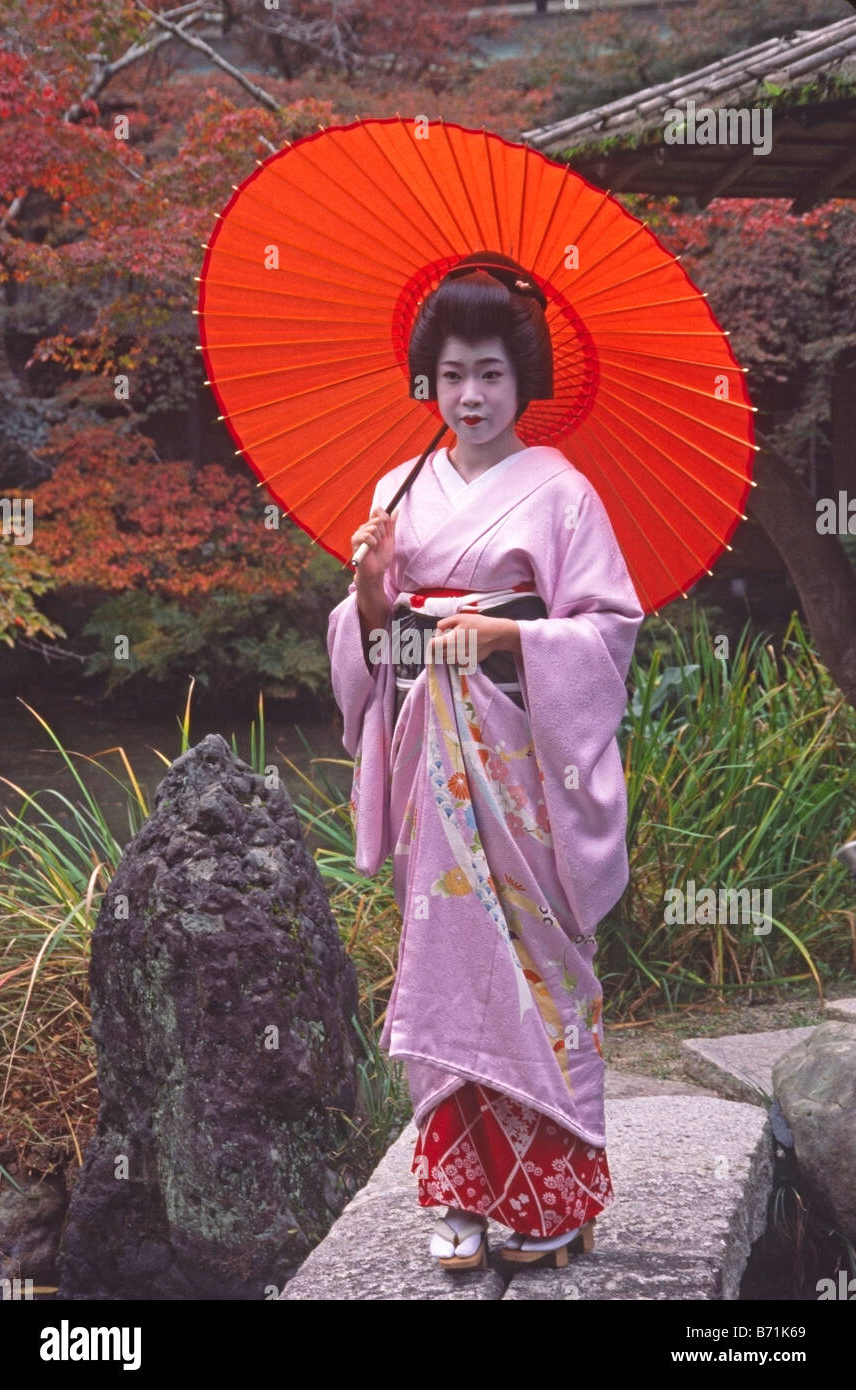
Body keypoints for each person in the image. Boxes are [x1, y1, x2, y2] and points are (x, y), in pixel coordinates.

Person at [326, 252, 644, 1272]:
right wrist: (372, 595)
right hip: (431, 754)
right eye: (451, 373)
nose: (468, 395)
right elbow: (370, 640)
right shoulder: (398, 488)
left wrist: (507, 639)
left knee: (538, 962)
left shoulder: (560, 493)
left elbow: (606, 629)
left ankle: (552, 1191)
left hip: (520, 761)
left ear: (522, 380)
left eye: (491, 374)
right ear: (427, 378)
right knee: (446, 961)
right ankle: (459, 1192)